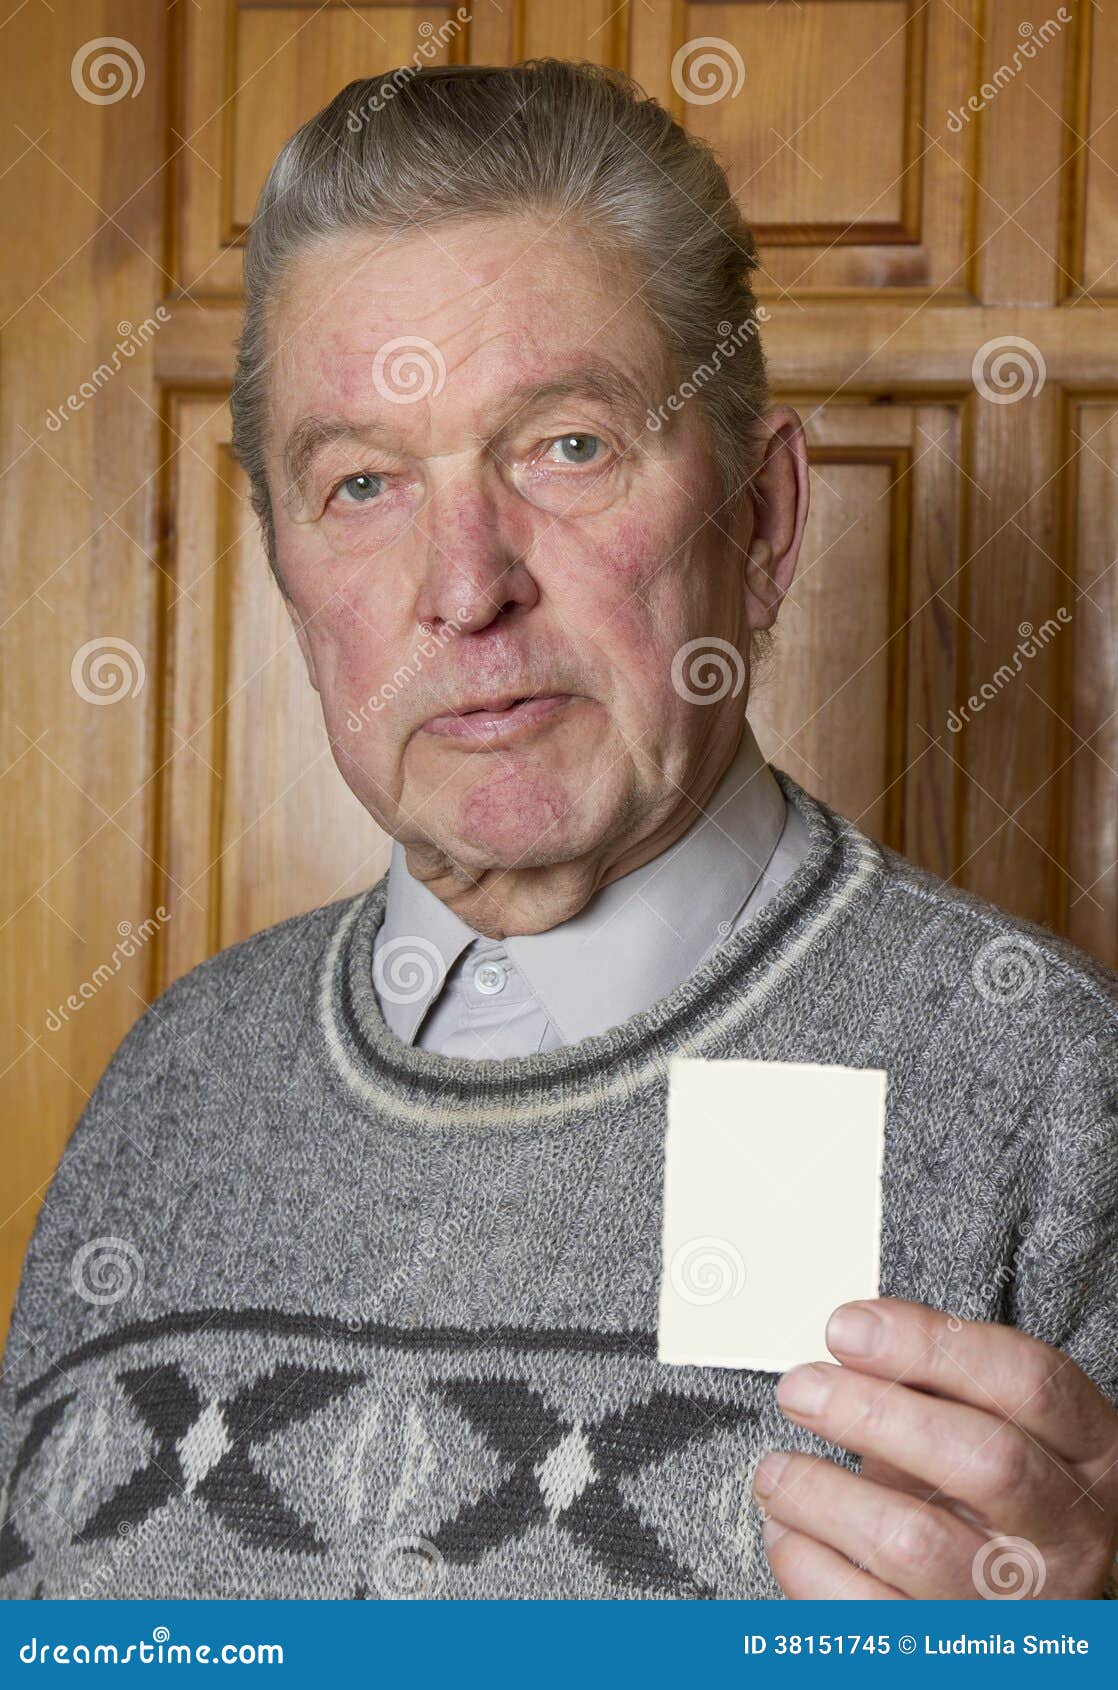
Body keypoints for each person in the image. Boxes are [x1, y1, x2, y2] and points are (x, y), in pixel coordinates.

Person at [1, 60, 1115, 1602]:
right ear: (288, 569)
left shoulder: (1049, 1084)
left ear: (765, 518)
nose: (465, 586)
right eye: (363, 482)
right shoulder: (170, 1079)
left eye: (567, 445)